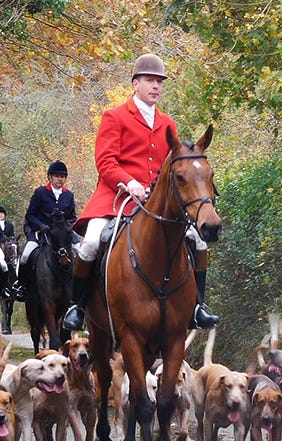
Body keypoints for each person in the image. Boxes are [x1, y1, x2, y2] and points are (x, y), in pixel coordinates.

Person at [63, 53, 219, 331]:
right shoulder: (115, 116)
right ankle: (77, 306)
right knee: (90, 243)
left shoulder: (167, 122)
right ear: (135, 83)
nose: (156, 86)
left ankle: (197, 307)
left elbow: (174, 165)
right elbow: (105, 161)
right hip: (116, 198)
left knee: (198, 241)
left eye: (159, 82)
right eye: (149, 80)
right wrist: (128, 182)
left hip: (156, 201)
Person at [11, 161, 78, 301]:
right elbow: (30, 215)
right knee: (25, 255)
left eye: (63, 176)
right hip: (42, 233)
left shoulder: (69, 195)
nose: (60, 179)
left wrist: (67, 226)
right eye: (57, 176)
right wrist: (42, 226)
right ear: (50, 177)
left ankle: (78, 290)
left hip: (62, 236)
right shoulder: (41, 192)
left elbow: (73, 217)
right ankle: (22, 286)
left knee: (80, 252)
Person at [0, 206, 13, 300]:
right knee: (3, 265)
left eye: (2, 213)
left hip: (9, 245)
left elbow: (12, 235)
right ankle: (4, 288)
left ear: (5, 214)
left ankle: (18, 284)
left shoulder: (9, 225)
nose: (0, 214)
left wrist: (10, 242)